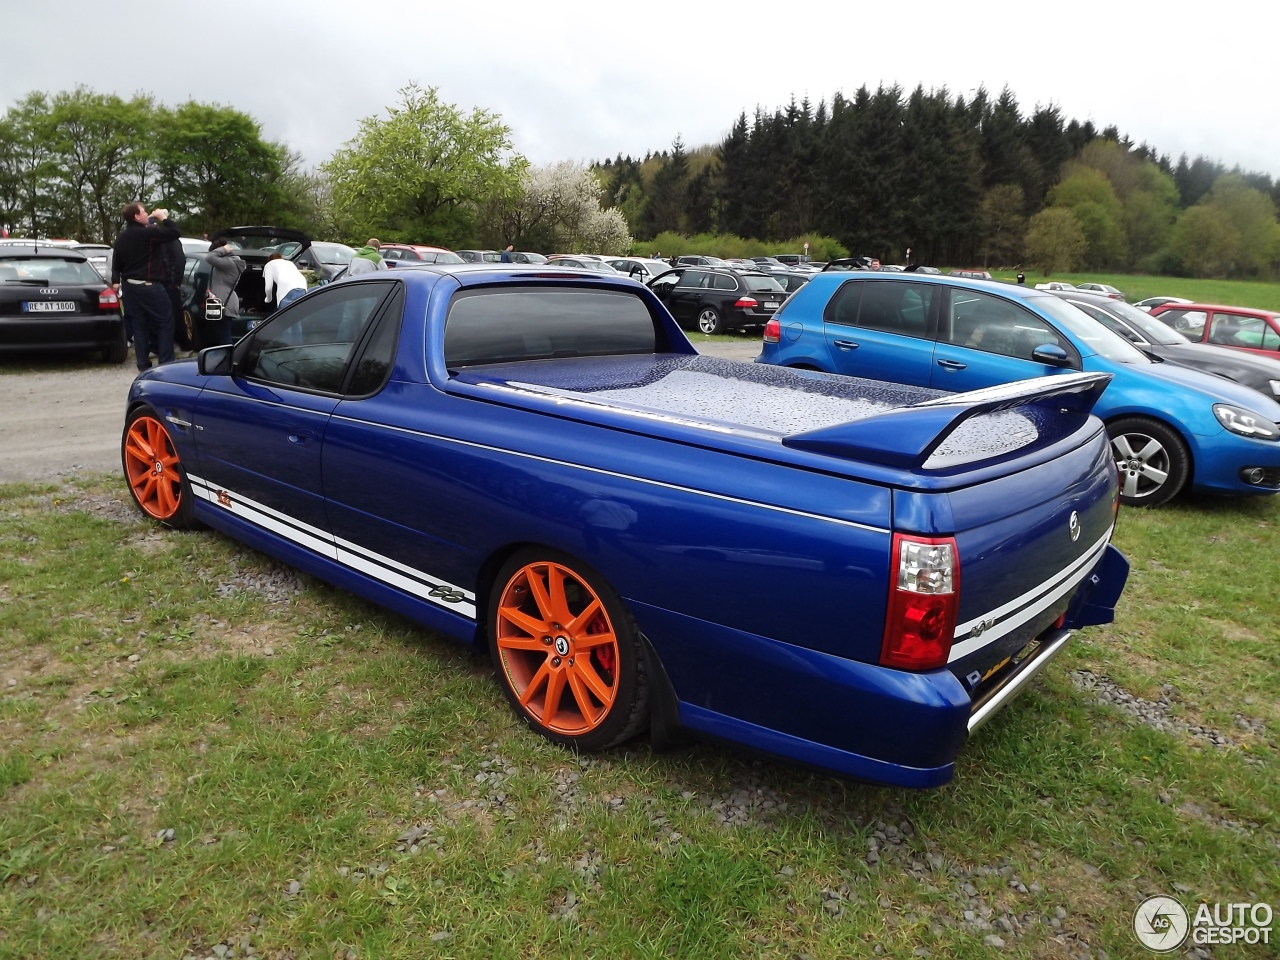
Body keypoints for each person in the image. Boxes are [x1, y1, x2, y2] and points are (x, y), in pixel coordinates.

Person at [111, 202, 181, 371]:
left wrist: (115, 281)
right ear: (136, 216)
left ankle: (143, 364)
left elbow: (116, 262)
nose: (146, 214)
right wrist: (163, 217)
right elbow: (175, 232)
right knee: (165, 321)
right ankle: (166, 363)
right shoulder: (148, 233)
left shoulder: (121, 237)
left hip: (130, 288)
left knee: (139, 324)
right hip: (149, 286)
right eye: (143, 212)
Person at [201, 241, 246, 348]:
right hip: (221, 301)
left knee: (224, 337)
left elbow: (209, 257)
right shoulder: (228, 263)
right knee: (220, 335)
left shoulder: (229, 263)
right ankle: (225, 359)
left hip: (224, 303)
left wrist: (225, 248)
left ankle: (229, 360)